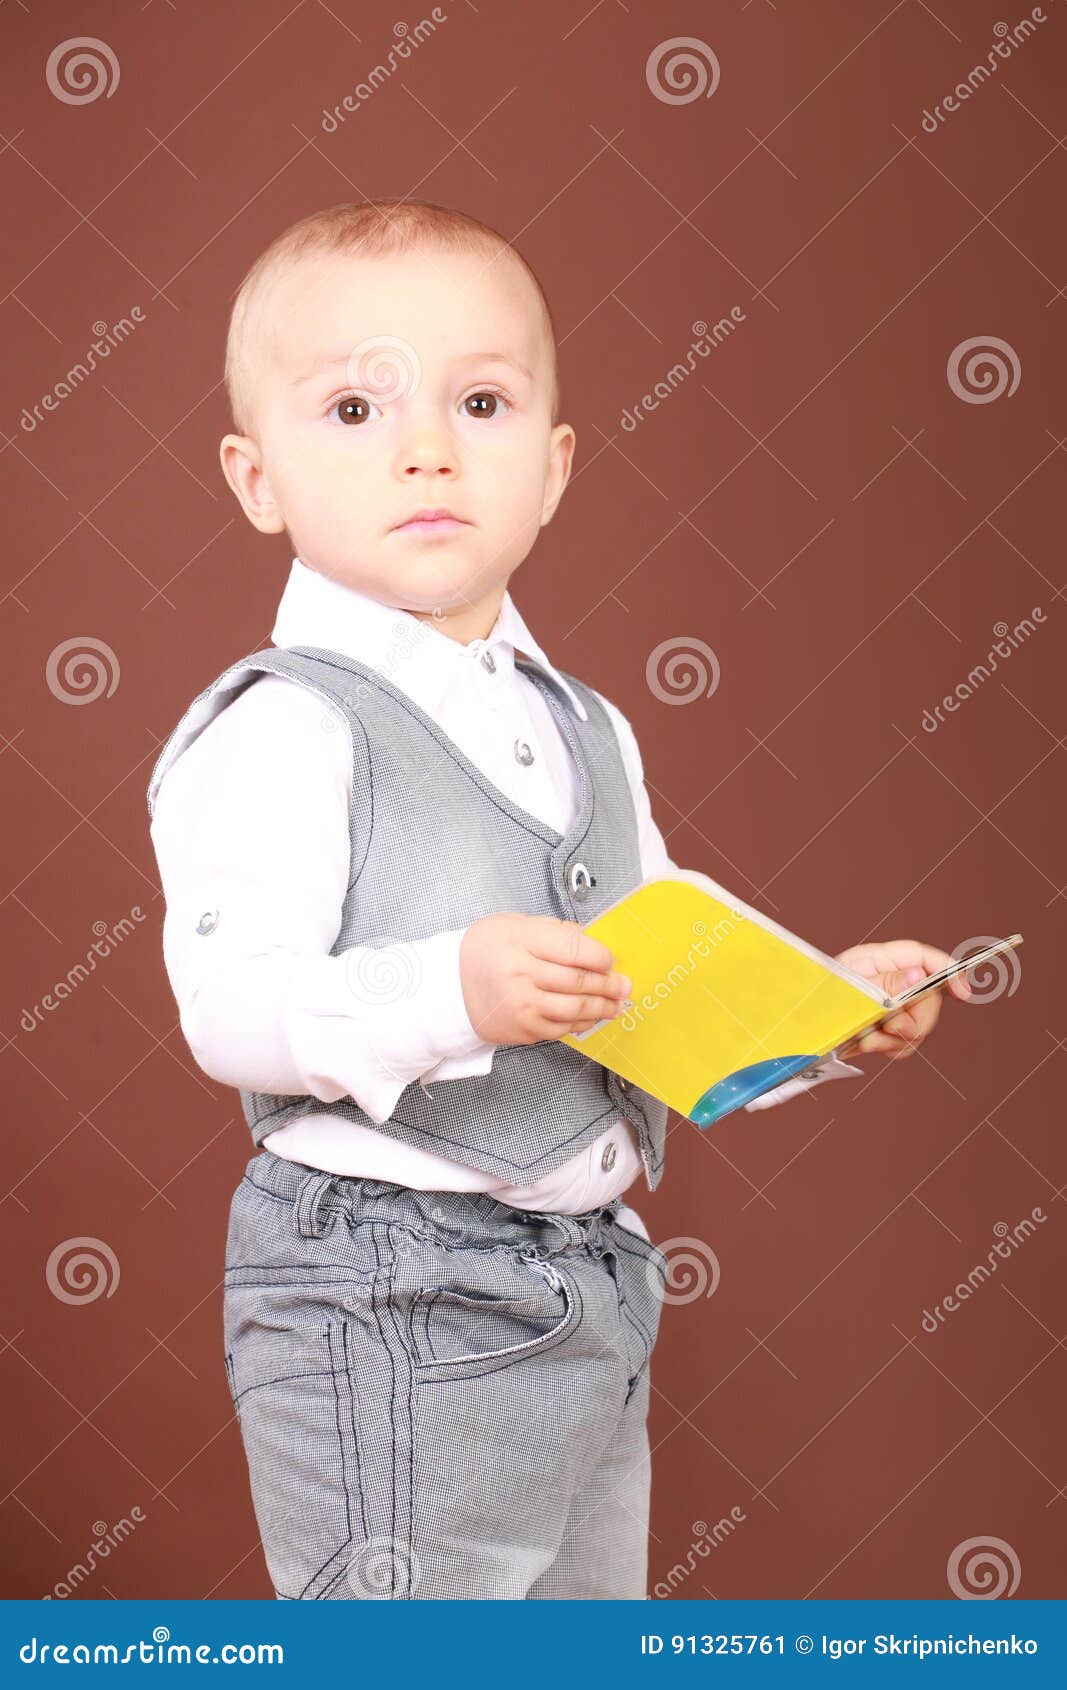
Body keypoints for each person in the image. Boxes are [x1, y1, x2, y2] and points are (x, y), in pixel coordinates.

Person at [146, 199, 970, 1600]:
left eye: (480, 400)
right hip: (388, 1289)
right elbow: (231, 1011)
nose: (427, 447)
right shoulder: (285, 725)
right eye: (354, 406)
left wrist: (822, 1016)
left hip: (588, 1284)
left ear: (555, 465)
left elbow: (647, 992)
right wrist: (447, 988)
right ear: (255, 476)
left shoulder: (584, 722)